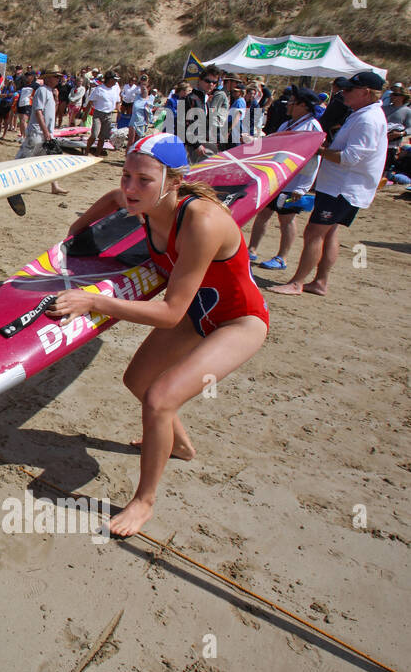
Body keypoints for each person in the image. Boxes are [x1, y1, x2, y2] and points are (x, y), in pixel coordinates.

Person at [47, 133, 271, 537]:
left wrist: (93, 302)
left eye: (143, 180)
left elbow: (169, 313)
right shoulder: (140, 202)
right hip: (197, 313)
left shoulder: (201, 220)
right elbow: (112, 202)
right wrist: (75, 231)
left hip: (238, 321)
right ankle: (180, 446)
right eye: (125, 175)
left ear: (172, 181)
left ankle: (143, 502)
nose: (130, 189)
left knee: (159, 397)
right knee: (137, 380)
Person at [269, 71, 388, 297]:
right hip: (342, 186)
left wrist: (319, 150)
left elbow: (350, 157)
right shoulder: (363, 114)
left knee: (314, 232)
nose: (343, 93)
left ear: (366, 92)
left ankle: (297, 283)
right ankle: (320, 281)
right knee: (330, 232)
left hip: (342, 187)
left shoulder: (368, 118)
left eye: (349, 89)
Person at [246, 88, 323, 271]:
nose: (288, 104)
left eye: (292, 102)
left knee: (286, 218)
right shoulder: (288, 124)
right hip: (277, 178)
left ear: (303, 106)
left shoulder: (312, 127)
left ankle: (282, 257)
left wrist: (303, 188)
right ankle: (252, 248)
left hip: (294, 182)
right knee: (264, 213)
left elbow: (314, 160)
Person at [14, 66, 70, 198]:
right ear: (49, 77)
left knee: (51, 159)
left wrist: (56, 99)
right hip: (37, 131)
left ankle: (54, 186)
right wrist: (45, 131)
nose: (58, 79)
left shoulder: (50, 91)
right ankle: (14, 184)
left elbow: (51, 112)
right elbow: (39, 111)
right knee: (24, 158)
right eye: (56, 77)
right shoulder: (42, 91)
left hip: (45, 132)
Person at [83, 71, 120, 156]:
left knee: (102, 137)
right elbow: (90, 102)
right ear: (109, 79)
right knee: (94, 134)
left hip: (109, 115)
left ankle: (97, 154)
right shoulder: (99, 89)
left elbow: (118, 101)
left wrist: (119, 111)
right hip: (98, 114)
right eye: (114, 80)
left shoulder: (115, 89)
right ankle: (86, 151)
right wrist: (85, 115)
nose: (116, 82)